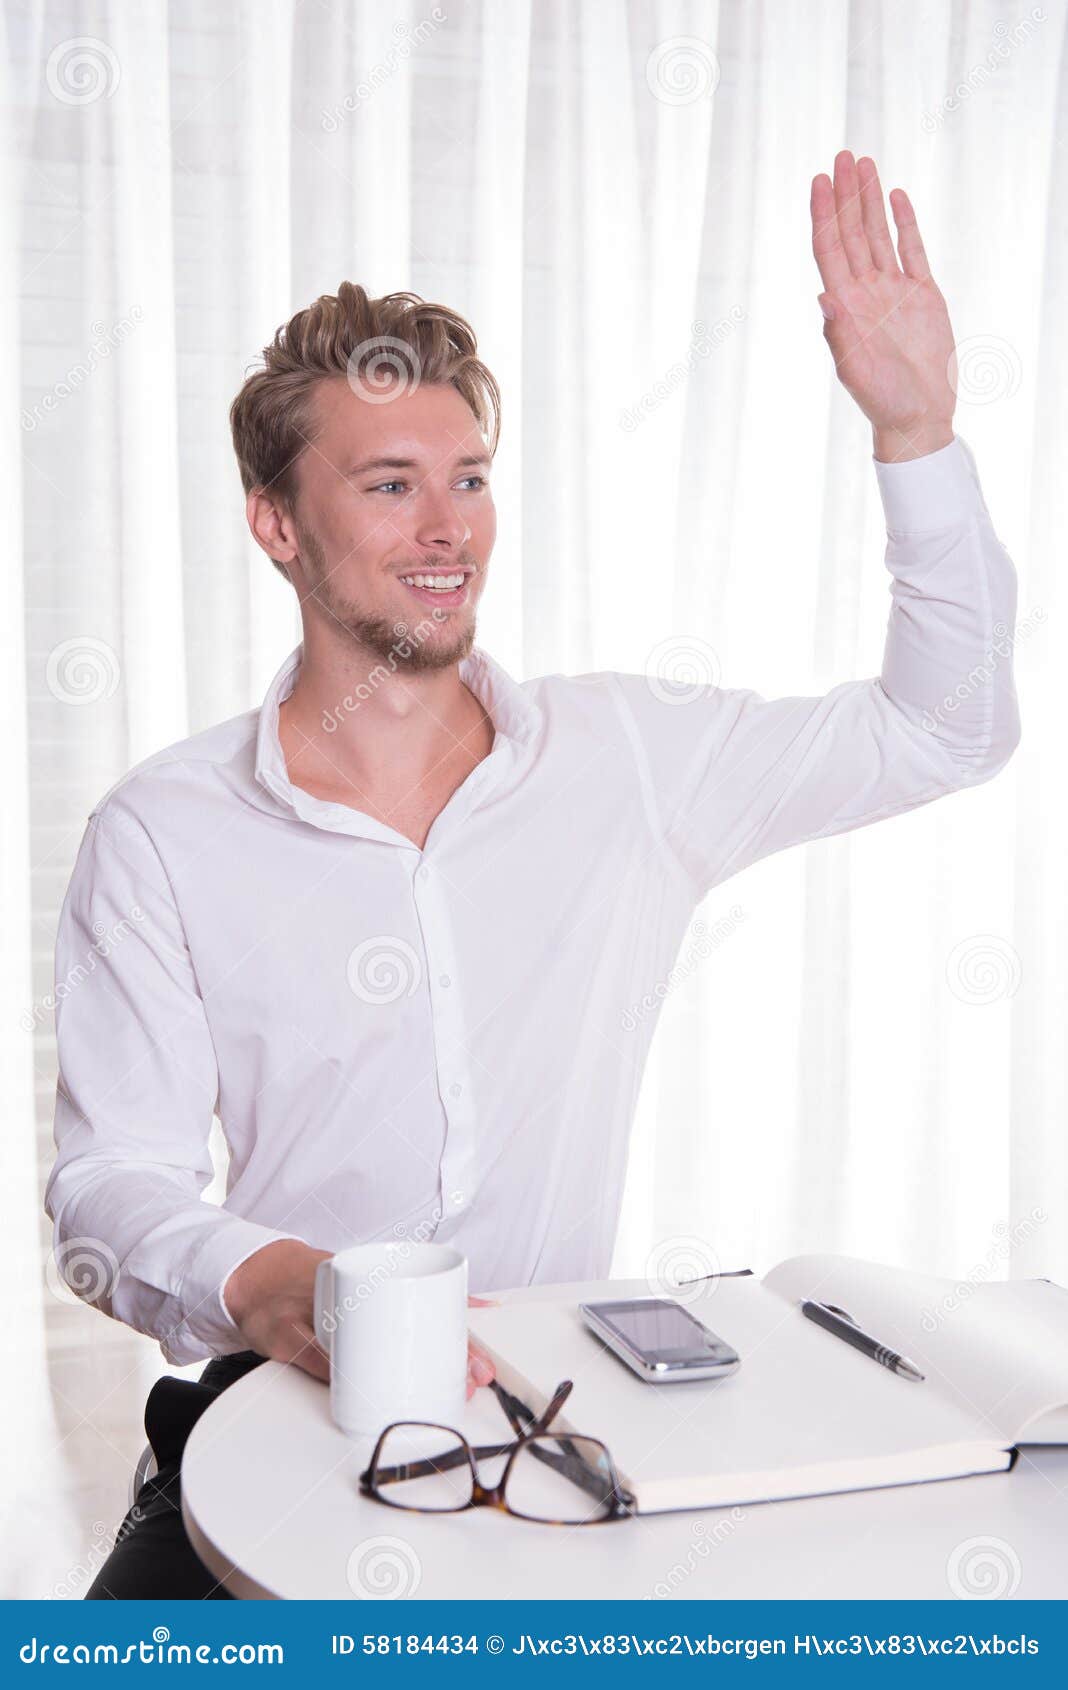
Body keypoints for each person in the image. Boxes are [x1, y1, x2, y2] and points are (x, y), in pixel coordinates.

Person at [46, 152, 1019, 1598]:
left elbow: (948, 728)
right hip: (253, 1450)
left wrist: (920, 430)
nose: (450, 532)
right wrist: (283, 1283)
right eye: (390, 486)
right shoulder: (162, 831)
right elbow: (108, 1182)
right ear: (276, 523)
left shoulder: (628, 759)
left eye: (470, 480)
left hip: (547, 1466)